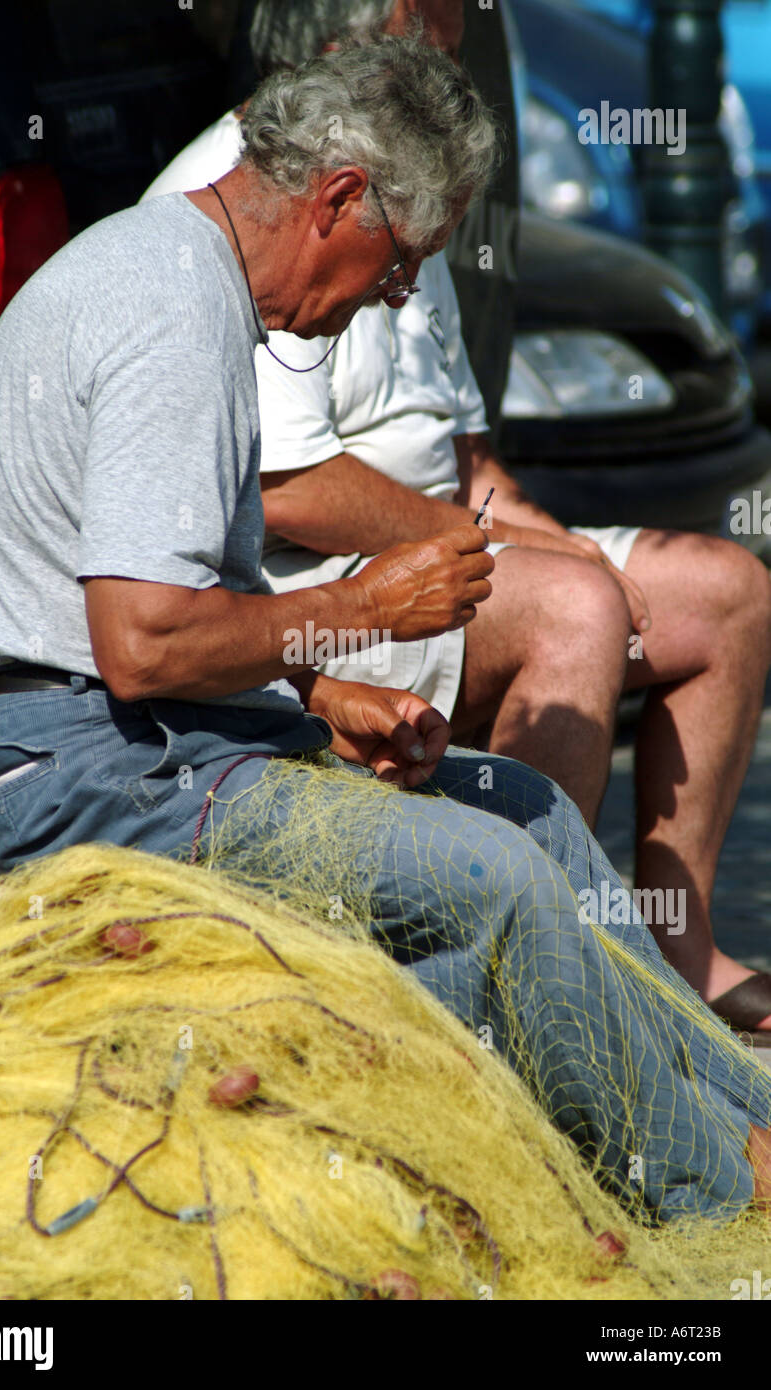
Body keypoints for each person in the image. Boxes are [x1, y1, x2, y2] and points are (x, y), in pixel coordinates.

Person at [0, 37, 771, 1222]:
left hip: (159, 743)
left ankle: (734, 1119)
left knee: (531, 817)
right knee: (492, 877)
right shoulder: (170, 299)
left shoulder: (186, 279)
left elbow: (171, 612)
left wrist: (325, 696)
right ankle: (705, 1183)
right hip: (84, 775)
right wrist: (361, 611)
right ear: (334, 200)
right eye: (397, 263)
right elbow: (140, 645)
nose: (390, 294)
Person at [143, 0, 771, 1035]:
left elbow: (468, 459)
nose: (467, 43)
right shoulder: (256, 197)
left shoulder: (405, 172)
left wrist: (552, 540)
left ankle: (674, 951)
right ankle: (530, 980)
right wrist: (500, 552)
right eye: (445, 23)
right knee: (570, 608)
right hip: (312, 583)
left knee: (724, 589)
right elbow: (283, 485)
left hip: (435, 536)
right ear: (378, 25)